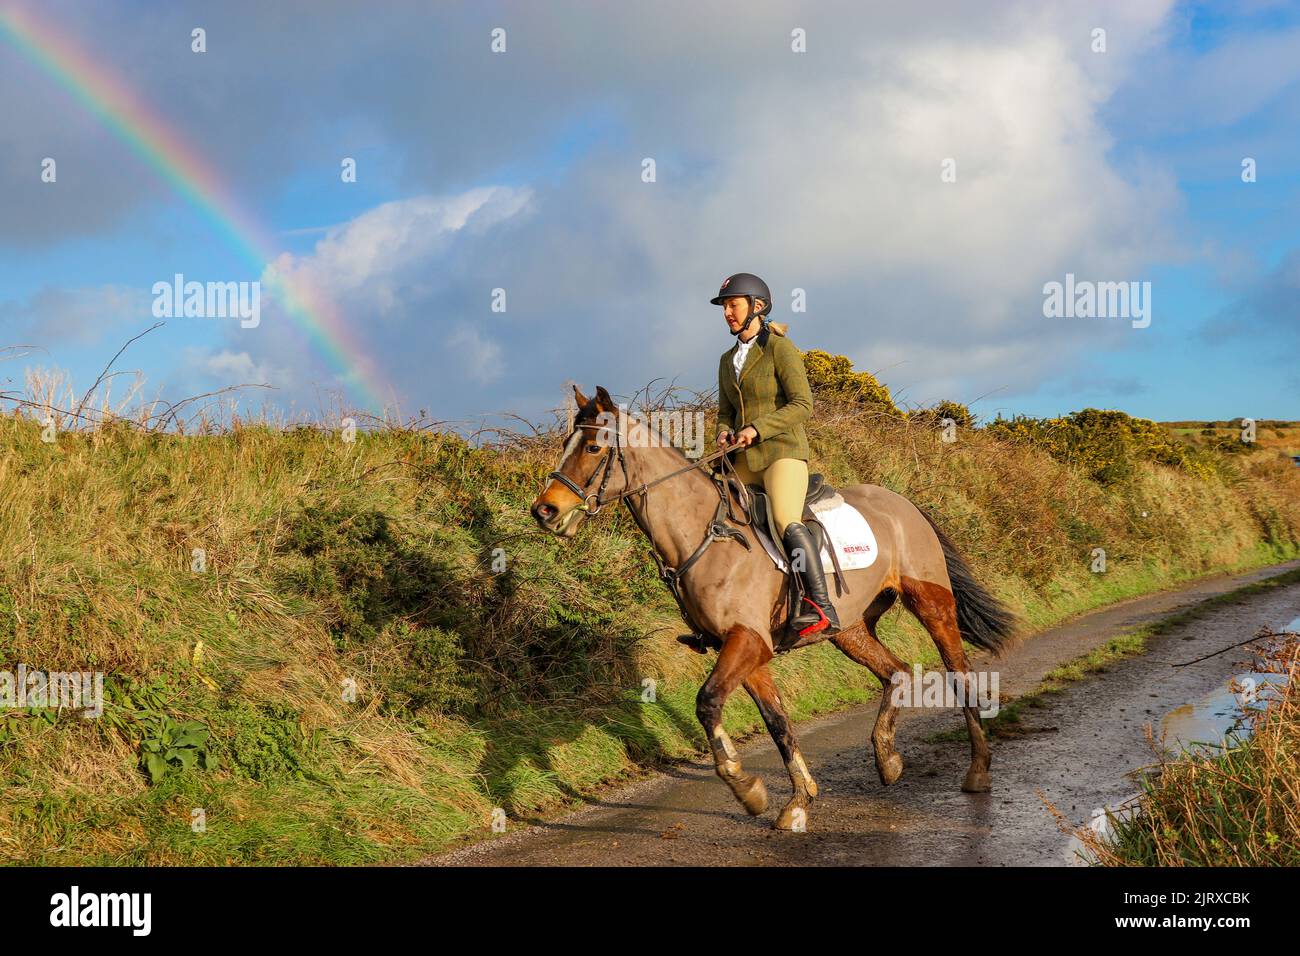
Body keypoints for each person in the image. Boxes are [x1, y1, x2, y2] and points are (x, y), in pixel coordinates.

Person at [712, 272, 840, 640]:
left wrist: (757, 428)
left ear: (758, 307)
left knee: (785, 519)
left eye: (732, 305)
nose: (727, 313)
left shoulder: (780, 349)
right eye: (724, 307)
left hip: (782, 453)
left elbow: (803, 405)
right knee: (713, 512)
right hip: (743, 461)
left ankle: (820, 606)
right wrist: (723, 431)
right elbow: (725, 411)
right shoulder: (726, 360)